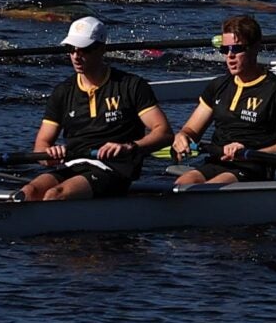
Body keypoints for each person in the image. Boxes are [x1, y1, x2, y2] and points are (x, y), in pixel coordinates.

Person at [21, 16, 172, 203]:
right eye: (71, 49)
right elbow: (41, 145)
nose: (76, 56)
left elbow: (164, 132)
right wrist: (48, 156)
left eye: (84, 49)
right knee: (28, 192)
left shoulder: (130, 86)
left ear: (101, 49)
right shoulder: (63, 91)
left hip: (115, 168)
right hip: (74, 163)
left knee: (55, 195)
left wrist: (130, 146)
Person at [170, 16, 276, 188]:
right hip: (217, 161)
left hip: (254, 166)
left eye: (237, 49)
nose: (230, 56)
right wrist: (182, 136)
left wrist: (253, 153)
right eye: (225, 50)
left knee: (208, 190)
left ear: (255, 48)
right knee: (181, 185)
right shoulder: (219, 85)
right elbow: (191, 129)